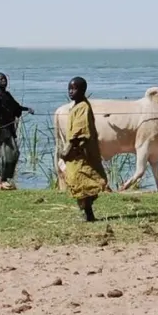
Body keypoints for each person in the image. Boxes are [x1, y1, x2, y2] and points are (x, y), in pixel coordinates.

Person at [59, 76, 108, 222]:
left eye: (74, 88)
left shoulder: (83, 107)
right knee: (77, 181)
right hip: (76, 153)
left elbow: (79, 132)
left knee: (83, 181)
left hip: (81, 152)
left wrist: (68, 149)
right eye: (69, 88)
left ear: (83, 90)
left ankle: (88, 213)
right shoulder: (76, 106)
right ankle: (87, 212)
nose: (71, 91)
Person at [0, 72, 33, 190]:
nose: (3, 81)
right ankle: (0, 180)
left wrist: (27, 109)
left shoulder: (7, 95)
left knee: (13, 154)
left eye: (4, 79)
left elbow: (16, 107)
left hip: (8, 130)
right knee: (1, 157)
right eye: (0, 79)